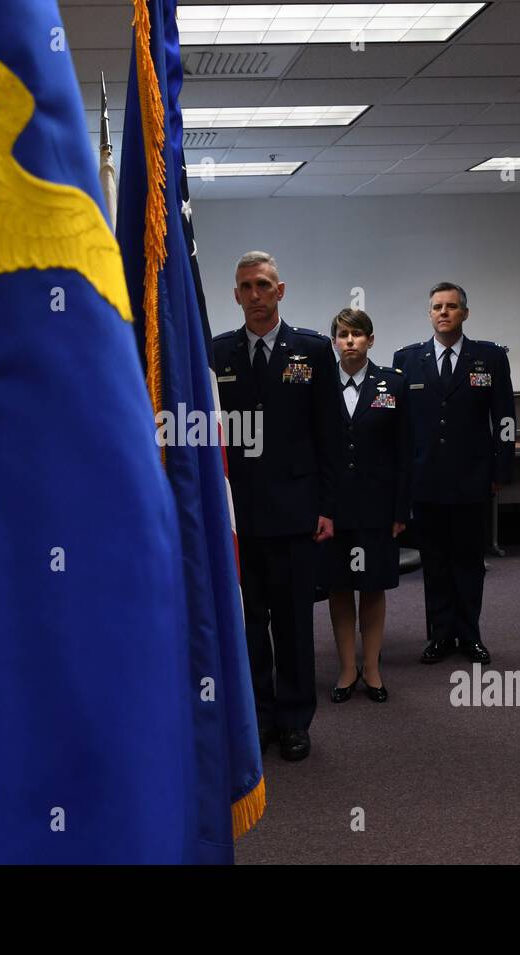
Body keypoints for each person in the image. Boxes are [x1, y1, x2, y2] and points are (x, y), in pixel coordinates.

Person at [211, 251, 341, 761]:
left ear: (280, 290)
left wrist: (327, 506)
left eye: (264, 285)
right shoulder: (217, 353)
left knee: (292, 625)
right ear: (236, 295)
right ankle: (259, 717)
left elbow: (331, 434)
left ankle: (294, 720)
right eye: (246, 287)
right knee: (249, 625)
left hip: (294, 515)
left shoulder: (311, 351)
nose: (255, 295)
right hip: (240, 518)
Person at [392, 283, 515, 666]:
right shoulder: (407, 359)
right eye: (436, 307)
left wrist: (502, 468)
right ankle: (441, 636)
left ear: (465, 313)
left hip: (472, 478)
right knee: (435, 561)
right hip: (424, 479)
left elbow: (505, 417)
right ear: (429, 314)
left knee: (469, 560)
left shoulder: (490, 358)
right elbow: (399, 426)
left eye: (451, 306)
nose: (443, 312)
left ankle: (470, 635)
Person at [323, 308, 410, 704]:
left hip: (378, 506)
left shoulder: (393, 383)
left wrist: (400, 509)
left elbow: (406, 452)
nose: (350, 341)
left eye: (357, 334)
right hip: (334, 508)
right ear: (335, 341)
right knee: (340, 588)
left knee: (373, 587)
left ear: (371, 340)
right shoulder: (319, 385)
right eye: (343, 335)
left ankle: (371, 668)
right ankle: (346, 668)